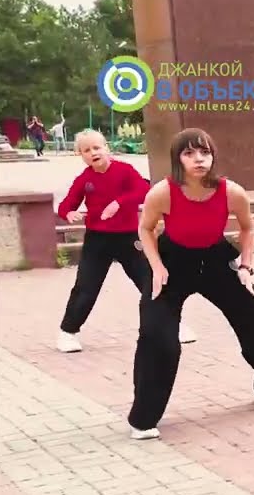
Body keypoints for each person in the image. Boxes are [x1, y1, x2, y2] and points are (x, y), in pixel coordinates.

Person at [128, 128, 254, 440]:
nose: (198, 159)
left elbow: (248, 229)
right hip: (172, 263)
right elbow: (145, 229)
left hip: (217, 260)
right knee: (159, 339)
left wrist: (246, 266)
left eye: (204, 152)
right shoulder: (163, 192)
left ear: (213, 156)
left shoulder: (231, 191)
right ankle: (143, 418)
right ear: (177, 159)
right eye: (189, 153)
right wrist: (155, 267)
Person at [56, 130, 196, 353]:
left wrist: (118, 203)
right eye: (86, 150)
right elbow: (66, 204)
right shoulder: (84, 179)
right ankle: (68, 332)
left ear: (106, 149)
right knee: (86, 287)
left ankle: (173, 325)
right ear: (80, 155)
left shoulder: (124, 170)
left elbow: (142, 190)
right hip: (97, 240)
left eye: (97, 147)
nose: (93, 153)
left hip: (128, 237)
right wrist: (69, 213)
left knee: (152, 280)